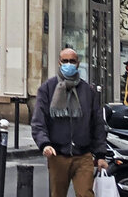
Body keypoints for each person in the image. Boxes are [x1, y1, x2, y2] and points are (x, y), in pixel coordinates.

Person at [31, 47, 108, 197]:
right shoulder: (47, 89)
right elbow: (38, 121)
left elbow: (97, 124)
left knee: (86, 194)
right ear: (59, 63)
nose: (69, 64)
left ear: (78, 64)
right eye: (65, 61)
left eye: (72, 61)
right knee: (58, 194)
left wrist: (100, 155)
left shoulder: (87, 91)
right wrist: (44, 143)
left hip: (83, 155)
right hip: (58, 155)